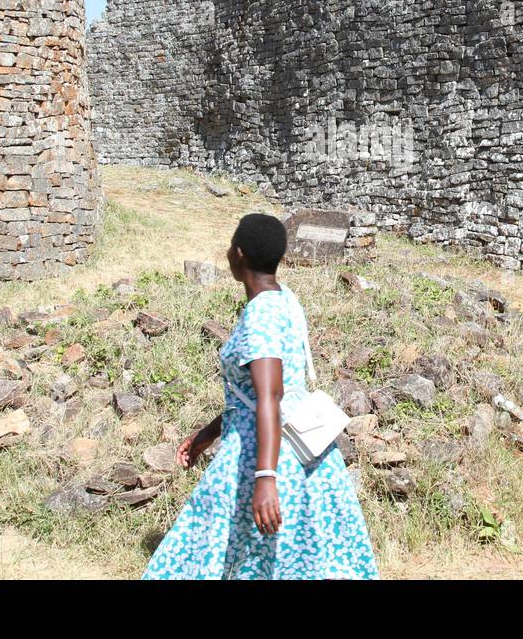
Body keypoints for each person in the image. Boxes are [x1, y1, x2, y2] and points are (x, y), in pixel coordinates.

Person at [144, 213, 378, 579]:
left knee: (214, 542)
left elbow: (271, 395)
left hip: (264, 453)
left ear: (238, 254)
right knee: (291, 554)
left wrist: (266, 478)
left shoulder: (261, 314)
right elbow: (253, 395)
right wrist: (206, 435)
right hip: (299, 449)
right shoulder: (286, 300)